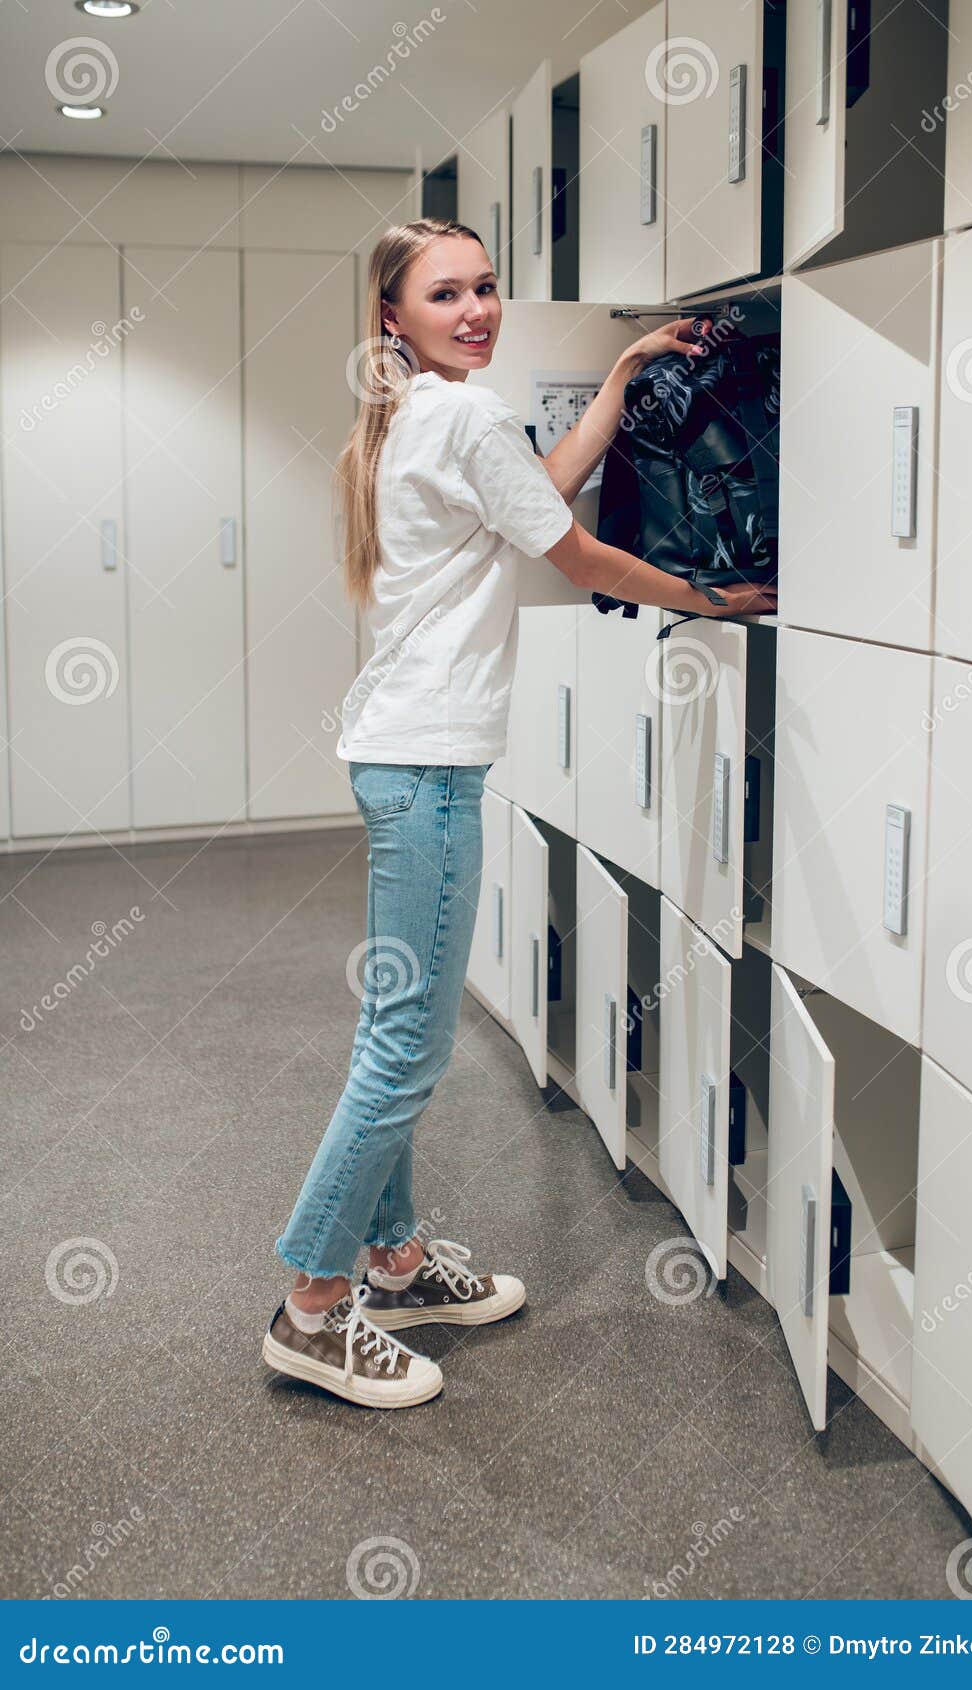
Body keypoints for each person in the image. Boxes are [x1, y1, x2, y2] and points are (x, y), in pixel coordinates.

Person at [261, 216, 777, 1410]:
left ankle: (394, 1262)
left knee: (392, 1030)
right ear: (393, 315)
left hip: (397, 754)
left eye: (486, 286)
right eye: (446, 294)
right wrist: (710, 596)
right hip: (429, 767)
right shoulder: (464, 414)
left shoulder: (414, 414)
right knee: (406, 1047)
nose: (478, 310)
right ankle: (312, 1305)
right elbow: (577, 556)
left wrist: (621, 377)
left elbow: (534, 501)